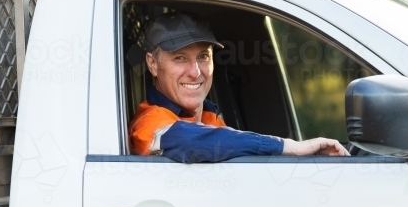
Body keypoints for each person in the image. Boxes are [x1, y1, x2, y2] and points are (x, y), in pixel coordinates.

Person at [129, 11, 349, 162]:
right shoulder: (149, 122)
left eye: (203, 57)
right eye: (180, 58)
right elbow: (191, 141)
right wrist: (291, 147)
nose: (195, 72)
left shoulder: (207, 116)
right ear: (153, 64)